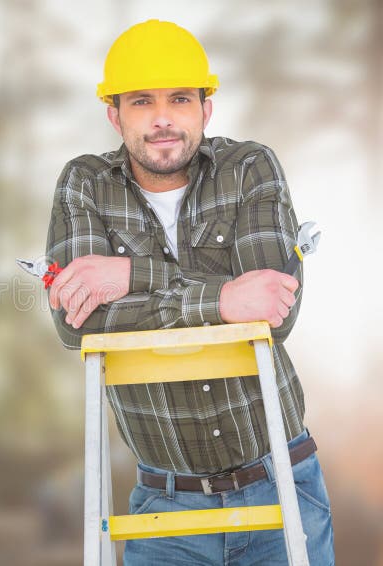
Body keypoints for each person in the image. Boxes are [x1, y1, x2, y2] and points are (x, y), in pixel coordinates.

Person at [44, 19, 334, 565]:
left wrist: (129, 277)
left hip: (282, 483)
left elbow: (272, 311)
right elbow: (75, 323)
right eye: (141, 101)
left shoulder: (250, 168)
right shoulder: (84, 185)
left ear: (206, 108)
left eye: (179, 98)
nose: (161, 119)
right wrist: (223, 300)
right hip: (164, 508)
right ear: (114, 114)